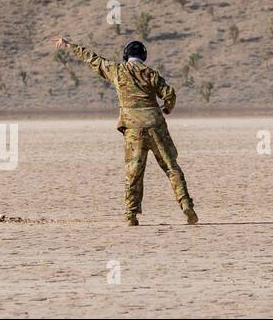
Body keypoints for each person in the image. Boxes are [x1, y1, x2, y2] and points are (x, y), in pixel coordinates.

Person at [53, 36, 198, 225]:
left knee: (133, 172)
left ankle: (130, 215)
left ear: (126, 55)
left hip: (132, 129)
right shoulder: (151, 74)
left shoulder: (117, 71)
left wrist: (68, 45)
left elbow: (92, 58)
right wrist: (168, 108)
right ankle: (186, 204)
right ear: (143, 56)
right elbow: (169, 94)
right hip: (156, 126)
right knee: (171, 167)